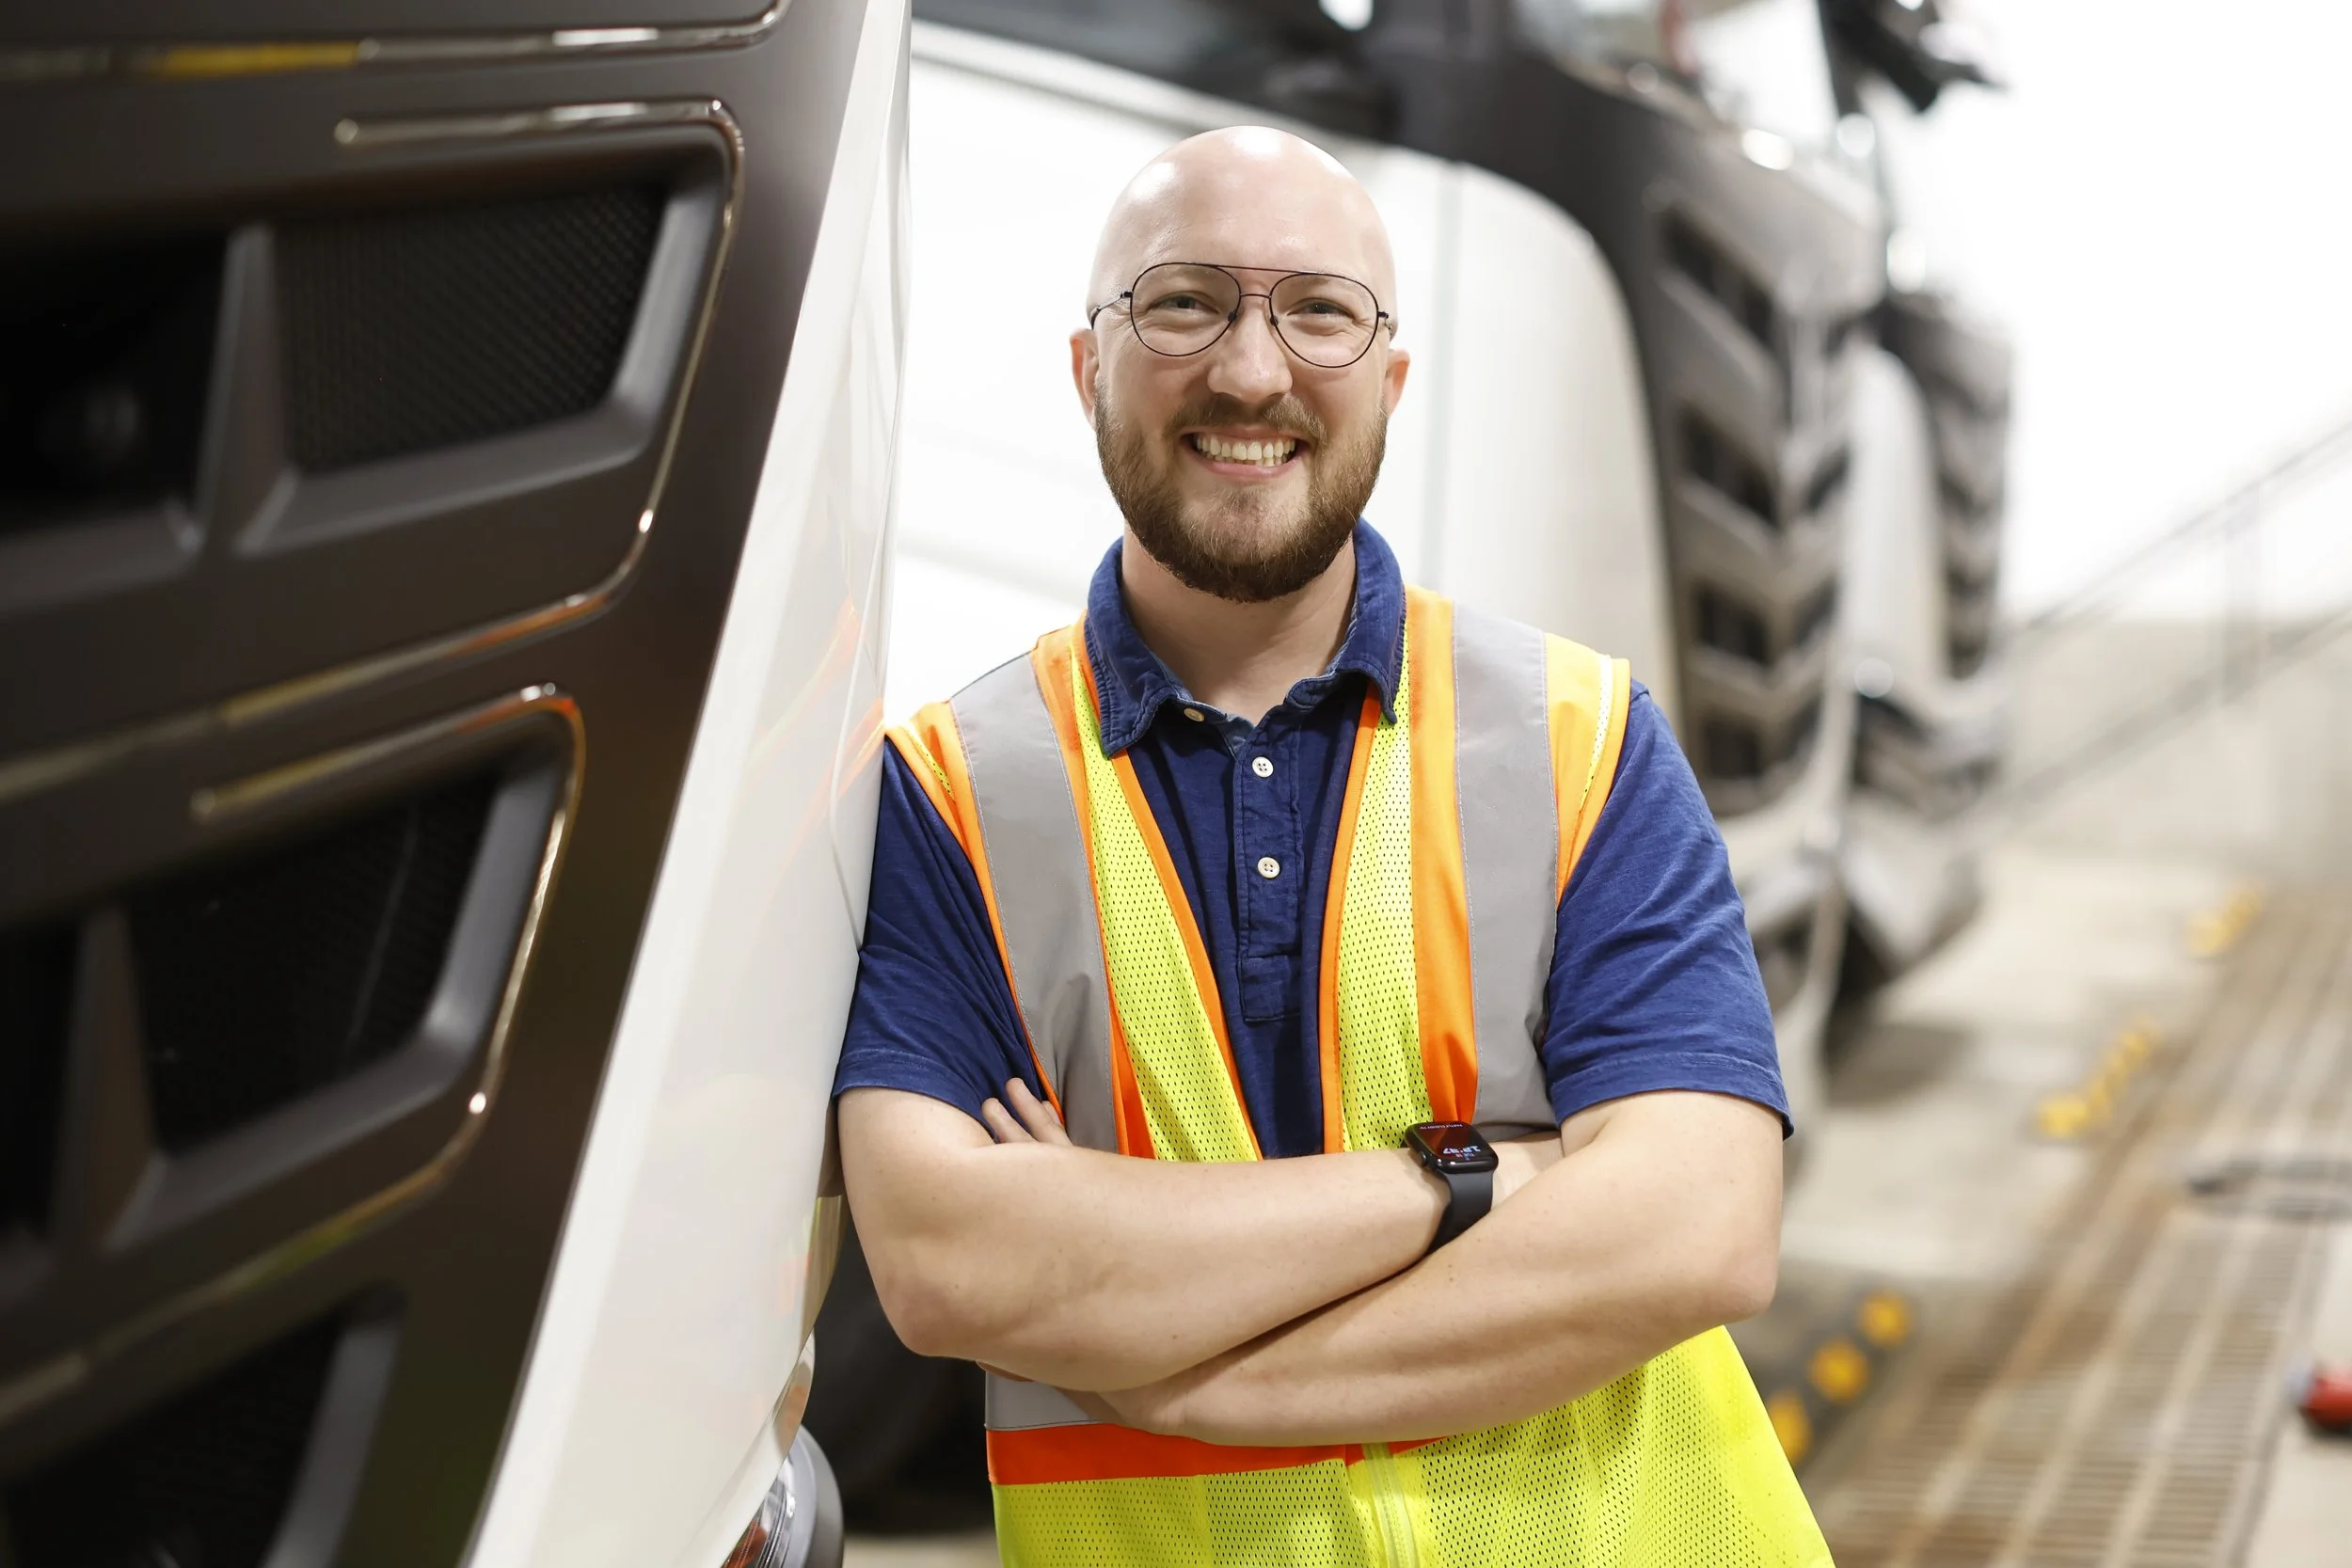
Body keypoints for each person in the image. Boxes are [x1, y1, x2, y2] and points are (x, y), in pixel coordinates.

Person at [834, 125, 1829, 1566]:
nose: (1253, 371)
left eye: (1319, 310)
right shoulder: (948, 797)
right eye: (1185, 303)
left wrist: (1200, 1379)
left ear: (1390, 380)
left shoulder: (1581, 737)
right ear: (1087, 366)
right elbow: (950, 1265)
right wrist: (1474, 1177)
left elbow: (1702, 1226)